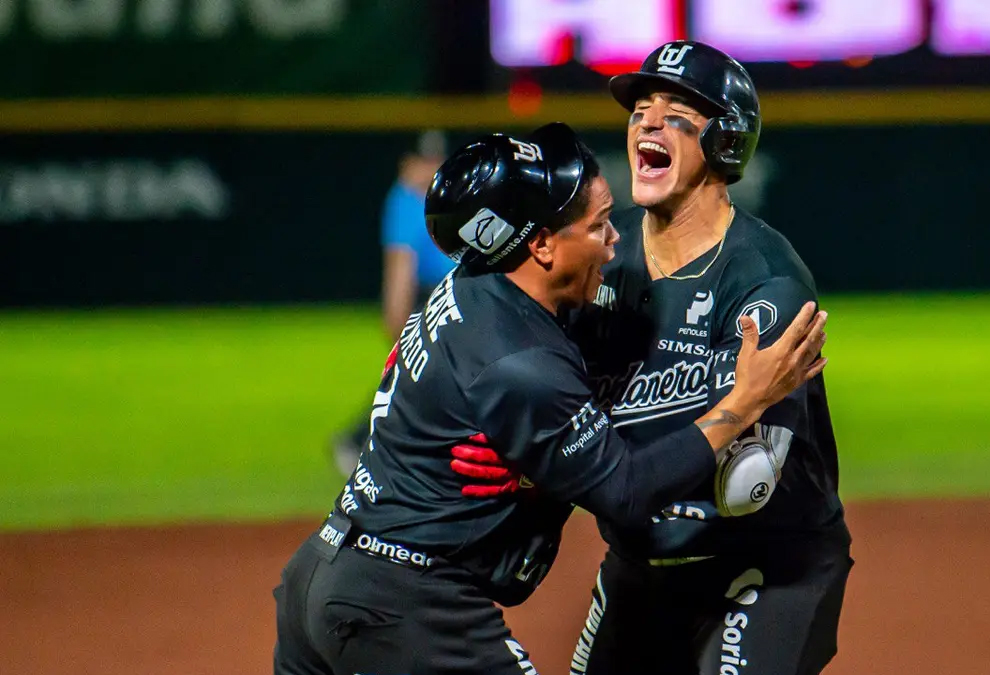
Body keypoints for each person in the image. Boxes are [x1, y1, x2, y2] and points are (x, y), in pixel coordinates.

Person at [272, 122, 832, 675]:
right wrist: (744, 401)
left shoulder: (476, 279)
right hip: (403, 605)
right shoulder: (522, 364)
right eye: (598, 227)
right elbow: (627, 488)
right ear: (540, 245)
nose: (615, 243)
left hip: (323, 575)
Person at [454, 41, 853, 674]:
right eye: (640, 108)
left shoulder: (764, 281)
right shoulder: (599, 267)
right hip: (645, 564)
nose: (648, 119)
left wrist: (580, 459)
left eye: (675, 110)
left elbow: (745, 479)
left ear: (724, 140)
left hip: (767, 563)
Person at [333, 130, 457, 477]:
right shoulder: (405, 201)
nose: (432, 168)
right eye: (425, 161)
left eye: (437, 161)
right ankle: (358, 439)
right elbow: (399, 268)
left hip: (448, 294)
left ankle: (365, 441)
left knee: (425, 379)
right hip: (431, 298)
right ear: (407, 164)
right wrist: (396, 319)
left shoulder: (439, 196)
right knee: (419, 377)